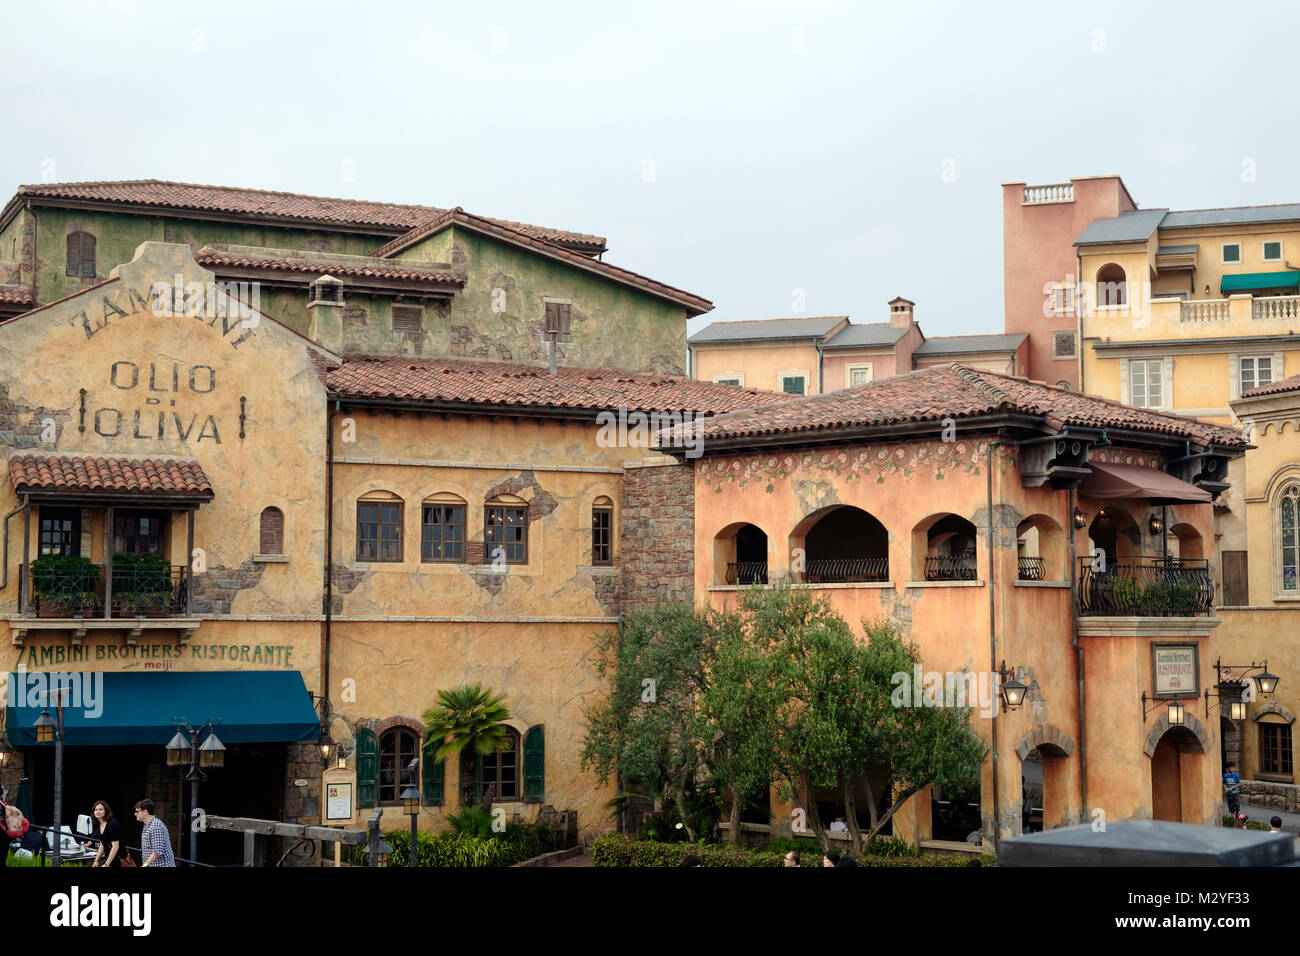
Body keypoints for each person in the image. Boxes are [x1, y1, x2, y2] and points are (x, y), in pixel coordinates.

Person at [134, 800, 174, 868]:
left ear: (145, 812)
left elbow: (157, 851)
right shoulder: (147, 825)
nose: (135, 814)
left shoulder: (155, 826)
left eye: (137, 811)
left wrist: (144, 865)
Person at [90, 801, 123, 868]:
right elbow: (102, 844)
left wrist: (107, 864)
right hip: (109, 858)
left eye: (100, 809)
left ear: (106, 811)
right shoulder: (100, 824)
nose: (98, 811)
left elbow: (115, 847)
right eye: (95, 810)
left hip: (118, 859)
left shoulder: (112, 824)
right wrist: (96, 860)